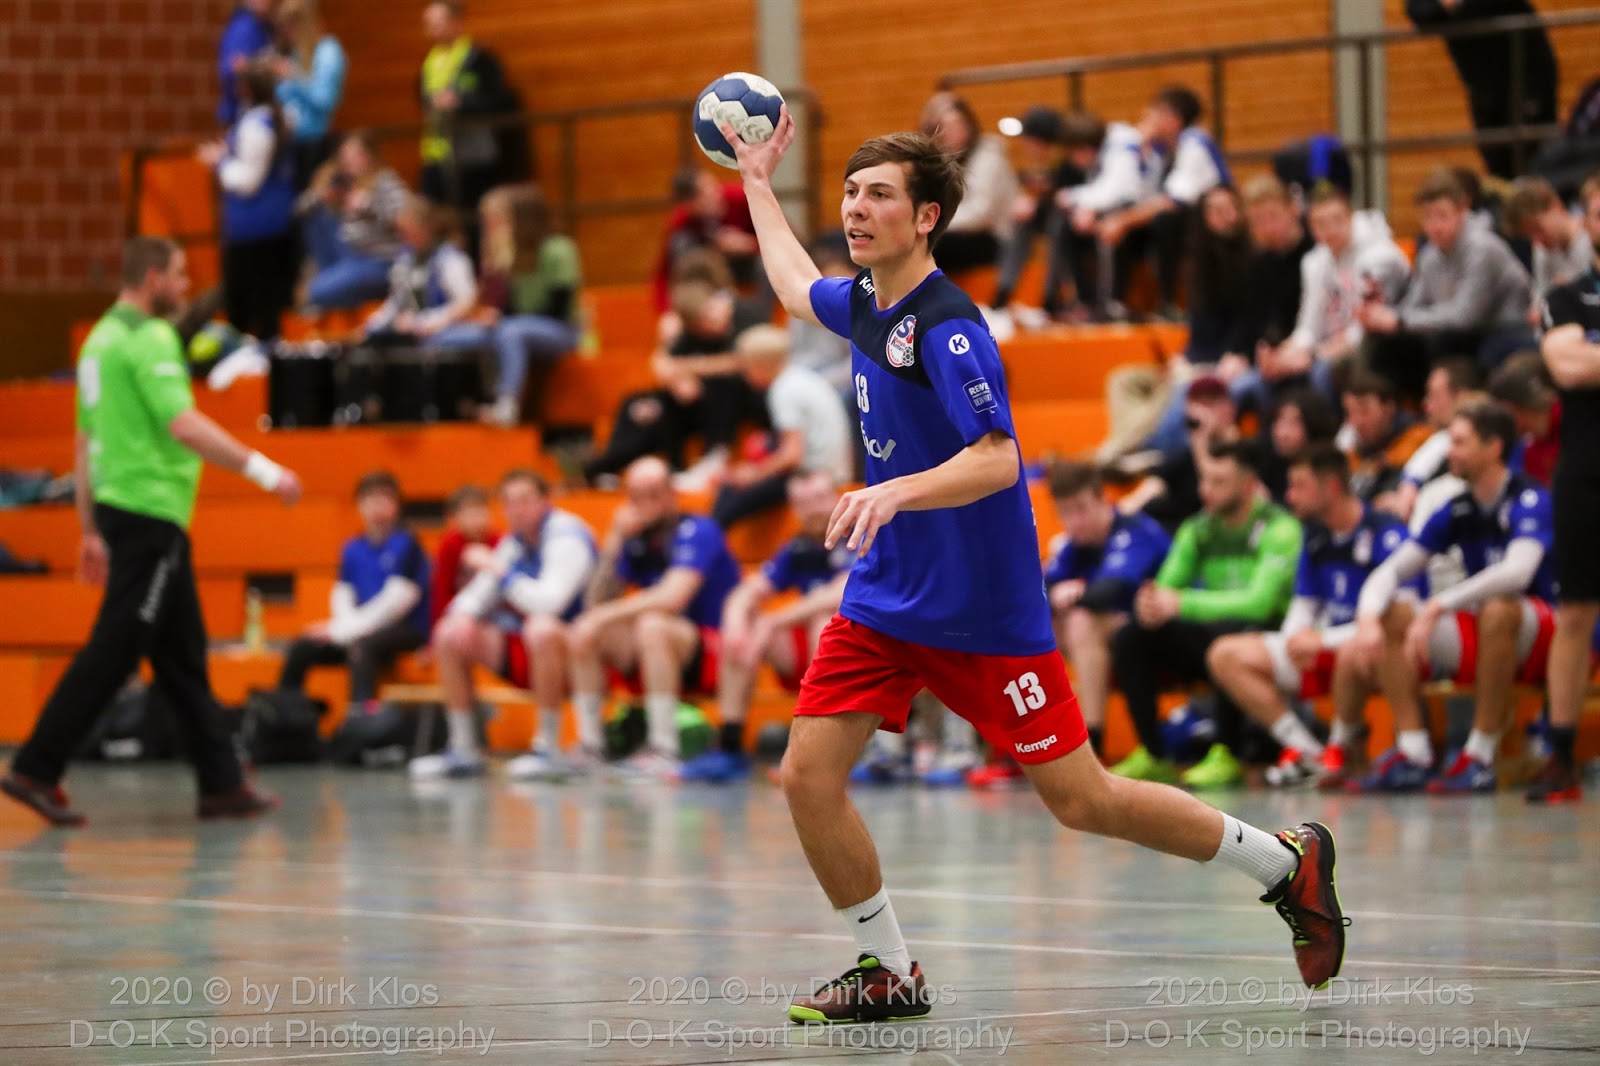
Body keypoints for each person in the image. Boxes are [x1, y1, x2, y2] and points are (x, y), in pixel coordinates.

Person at [719, 105, 1345, 1022]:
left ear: (926, 216)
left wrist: (891, 491)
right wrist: (757, 183)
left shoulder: (950, 326)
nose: (856, 209)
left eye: (879, 194)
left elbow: (999, 457)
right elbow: (790, 282)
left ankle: (1285, 863)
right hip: (887, 599)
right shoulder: (861, 304)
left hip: (984, 614)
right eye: (851, 192)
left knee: (1084, 801)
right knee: (807, 775)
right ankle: (886, 967)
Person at [1, 238, 302, 826]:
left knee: (182, 654)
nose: (186, 286)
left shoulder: (98, 343)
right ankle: (36, 768)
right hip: (149, 513)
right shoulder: (150, 337)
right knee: (117, 646)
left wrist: (89, 526)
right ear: (152, 279)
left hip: (122, 509)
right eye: (180, 275)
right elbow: (183, 423)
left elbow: (84, 442)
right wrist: (265, 470)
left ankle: (221, 785)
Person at [1345, 400, 1555, 793]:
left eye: (1459, 442)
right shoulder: (1457, 507)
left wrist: (1441, 603)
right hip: (1493, 632)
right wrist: (1369, 619)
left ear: (1493, 447)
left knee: (1497, 609)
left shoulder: (1530, 497)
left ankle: (1480, 754)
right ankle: (1414, 751)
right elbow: (1390, 570)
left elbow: (1518, 572)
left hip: (1548, 633)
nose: (1449, 452)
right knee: (1394, 614)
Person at [1206, 445, 1413, 788]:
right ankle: (1309, 752)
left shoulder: (1385, 531)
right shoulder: (1315, 536)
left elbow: (1402, 618)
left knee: (1354, 651)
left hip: (1378, 654)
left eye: (1299, 485)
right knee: (1224, 654)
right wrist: (1294, 640)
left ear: (1331, 487)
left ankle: (1343, 748)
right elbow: (1304, 604)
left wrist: (1322, 639)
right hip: (1326, 648)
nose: (1290, 495)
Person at [1108, 440, 1303, 788]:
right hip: (1211, 637)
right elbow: (1167, 587)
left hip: (1264, 643)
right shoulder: (1198, 529)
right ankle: (1154, 754)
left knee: (1230, 633)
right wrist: (1150, 605)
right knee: (1132, 635)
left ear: (1246, 485)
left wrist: (1182, 604)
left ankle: (1226, 753)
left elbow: (1260, 604)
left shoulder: (1279, 528)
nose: (1205, 490)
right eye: (1204, 480)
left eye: (1218, 482)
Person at [566, 457, 742, 779]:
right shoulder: (636, 542)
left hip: (714, 653)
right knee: (585, 631)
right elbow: (595, 603)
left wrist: (604, 615)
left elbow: (672, 597)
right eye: (636, 496)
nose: (646, 503)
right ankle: (591, 746)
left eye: (654, 493)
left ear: (671, 493)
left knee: (652, 624)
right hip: (652, 653)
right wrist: (614, 541)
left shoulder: (699, 530)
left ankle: (664, 748)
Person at [418, 470, 597, 780]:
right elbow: (473, 598)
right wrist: (464, 616)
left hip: (584, 656)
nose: (517, 510)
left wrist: (501, 572)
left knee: (541, 628)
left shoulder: (568, 535)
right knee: (449, 632)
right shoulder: (513, 544)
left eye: (525, 500)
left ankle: (548, 747)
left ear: (545, 501)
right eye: (510, 502)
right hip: (530, 652)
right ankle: (464, 748)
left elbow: (549, 604)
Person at [683, 472, 853, 783]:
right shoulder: (797, 548)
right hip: (809, 657)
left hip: (858, 655)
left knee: (827, 622)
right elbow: (746, 592)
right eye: (802, 503)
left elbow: (843, 592)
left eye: (819, 499)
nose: (812, 509)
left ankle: (828, 752)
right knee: (742, 629)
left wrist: (771, 620)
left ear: (837, 497)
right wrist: (736, 620)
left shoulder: (858, 534)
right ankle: (730, 744)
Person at [1530, 172, 1600, 803]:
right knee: (1575, 611)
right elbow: (1568, 365)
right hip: (1587, 469)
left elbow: (1587, 361)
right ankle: (1560, 752)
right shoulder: (1568, 295)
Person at [1041, 461, 1172, 758]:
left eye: (1081, 508)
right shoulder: (1075, 548)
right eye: (1064, 512)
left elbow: (1114, 590)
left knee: (1080, 622)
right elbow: (1040, 594)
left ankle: (1091, 745)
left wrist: (1077, 592)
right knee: (1050, 623)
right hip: (1121, 637)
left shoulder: (1135, 531)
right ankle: (1037, 734)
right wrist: (1060, 594)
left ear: (1103, 499)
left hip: (1167, 632)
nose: (1074, 521)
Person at [276, 471, 431, 711]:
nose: (377, 506)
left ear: (397, 505)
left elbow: (395, 604)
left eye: (384, 498)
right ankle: (283, 717)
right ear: (359, 505)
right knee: (304, 646)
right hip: (358, 628)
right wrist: (341, 628)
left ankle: (359, 721)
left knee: (361, 649)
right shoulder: (352, 548)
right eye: (370, 499)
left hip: (405, 629)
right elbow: (342, 596)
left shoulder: (407, 543)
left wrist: (342, 631)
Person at [1267, 184, 1409, 403]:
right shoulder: (1314, 262)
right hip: (1327, 348)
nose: (1330, 229)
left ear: (1350, 218)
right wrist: (1288, 352)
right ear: (1312, 227)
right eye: (1321, 223)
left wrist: (1313, 355)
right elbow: (1308, 324)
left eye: (1336, 220)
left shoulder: (1380, 258)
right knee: (1264, 379)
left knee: (1321, 372)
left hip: (1375, 347)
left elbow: (1368, 325)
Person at [713, 325, 853, 530]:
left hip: (816, 473)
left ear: (759, 365)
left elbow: (792, 455)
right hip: (833, 468)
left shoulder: (783, 390)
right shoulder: (800, 377)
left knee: (729, 496)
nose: (744, 376)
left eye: (746, 368)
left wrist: (753, 474)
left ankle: (709, 543)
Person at [199, 60, 298, 342]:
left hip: (254, 231)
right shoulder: (276, 117)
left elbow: (248, 181)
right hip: (271, 228)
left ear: (246, 88)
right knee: (268, 310)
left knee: (251, 314)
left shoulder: (258, 125)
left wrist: (219, 163)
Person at [476, 185, 583, 427]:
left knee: (511, 331)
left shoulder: (559, 249)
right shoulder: (514, 253)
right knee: (470, 335)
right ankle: (473, 402)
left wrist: (509, 319)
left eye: (507, 218)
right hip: (521, 326)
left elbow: (558, 307)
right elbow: (510, 303)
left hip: (561, 331)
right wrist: (497, 314)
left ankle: (507, 405)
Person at [299, 131, 410, 311]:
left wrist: (369, 207)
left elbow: (406, 221)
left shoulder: (384, 182)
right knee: (316, 216)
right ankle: (330, 284)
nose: (347, 161)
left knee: (316, 292)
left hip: (379, 262)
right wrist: (322, 197)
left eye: (354, 155)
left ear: (370, 156)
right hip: (345, 259)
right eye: (344, 156)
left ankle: (329, 292)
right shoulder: (341, 184)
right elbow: (299, 209)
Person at [270, 0, 346, 188]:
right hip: (289, 143)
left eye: (292, 28)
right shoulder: (295, 53)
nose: (289, 35)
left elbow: (325, 100)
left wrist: (293, 77)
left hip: (314, 145)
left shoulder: (328, 51)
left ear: (305, 25)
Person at [429, 483, 499, 630]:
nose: (476, 520)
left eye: (481, 512)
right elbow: (441, 592)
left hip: (493, 615)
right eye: (470, 515)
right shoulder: (450, 546)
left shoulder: (499, 543)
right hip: (459, 615)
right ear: (456, 519)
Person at [218, 0, 275, 126]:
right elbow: (232, 68)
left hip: (257, 113)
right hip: (239, 116)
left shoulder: (265, 26)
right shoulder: (243, 27)